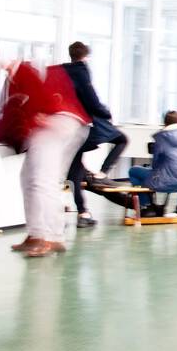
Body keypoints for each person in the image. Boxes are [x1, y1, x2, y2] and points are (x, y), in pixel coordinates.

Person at [5, 62, 91, 259]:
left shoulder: (23, 70)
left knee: (42, 181)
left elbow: (34, 99)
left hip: (55, 122)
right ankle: (37, 234)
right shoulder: (20, 73)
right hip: (63, 122)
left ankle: (53, 236)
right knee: (30, 178)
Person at [61, 41, 128, 229]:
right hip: (85, 124)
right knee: (122, 139)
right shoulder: (81, 70)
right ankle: (101, 174)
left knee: (74, 172)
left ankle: (83, 212)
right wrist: (105, 113)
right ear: (85, 56)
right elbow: (90, 97)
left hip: (67, 127)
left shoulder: (62, 71)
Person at [128, 111, 177, 217]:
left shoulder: (161, 137)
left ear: (165, 122)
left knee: (133, 171)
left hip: (164, 180)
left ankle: (146, 206)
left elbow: (155, 162)